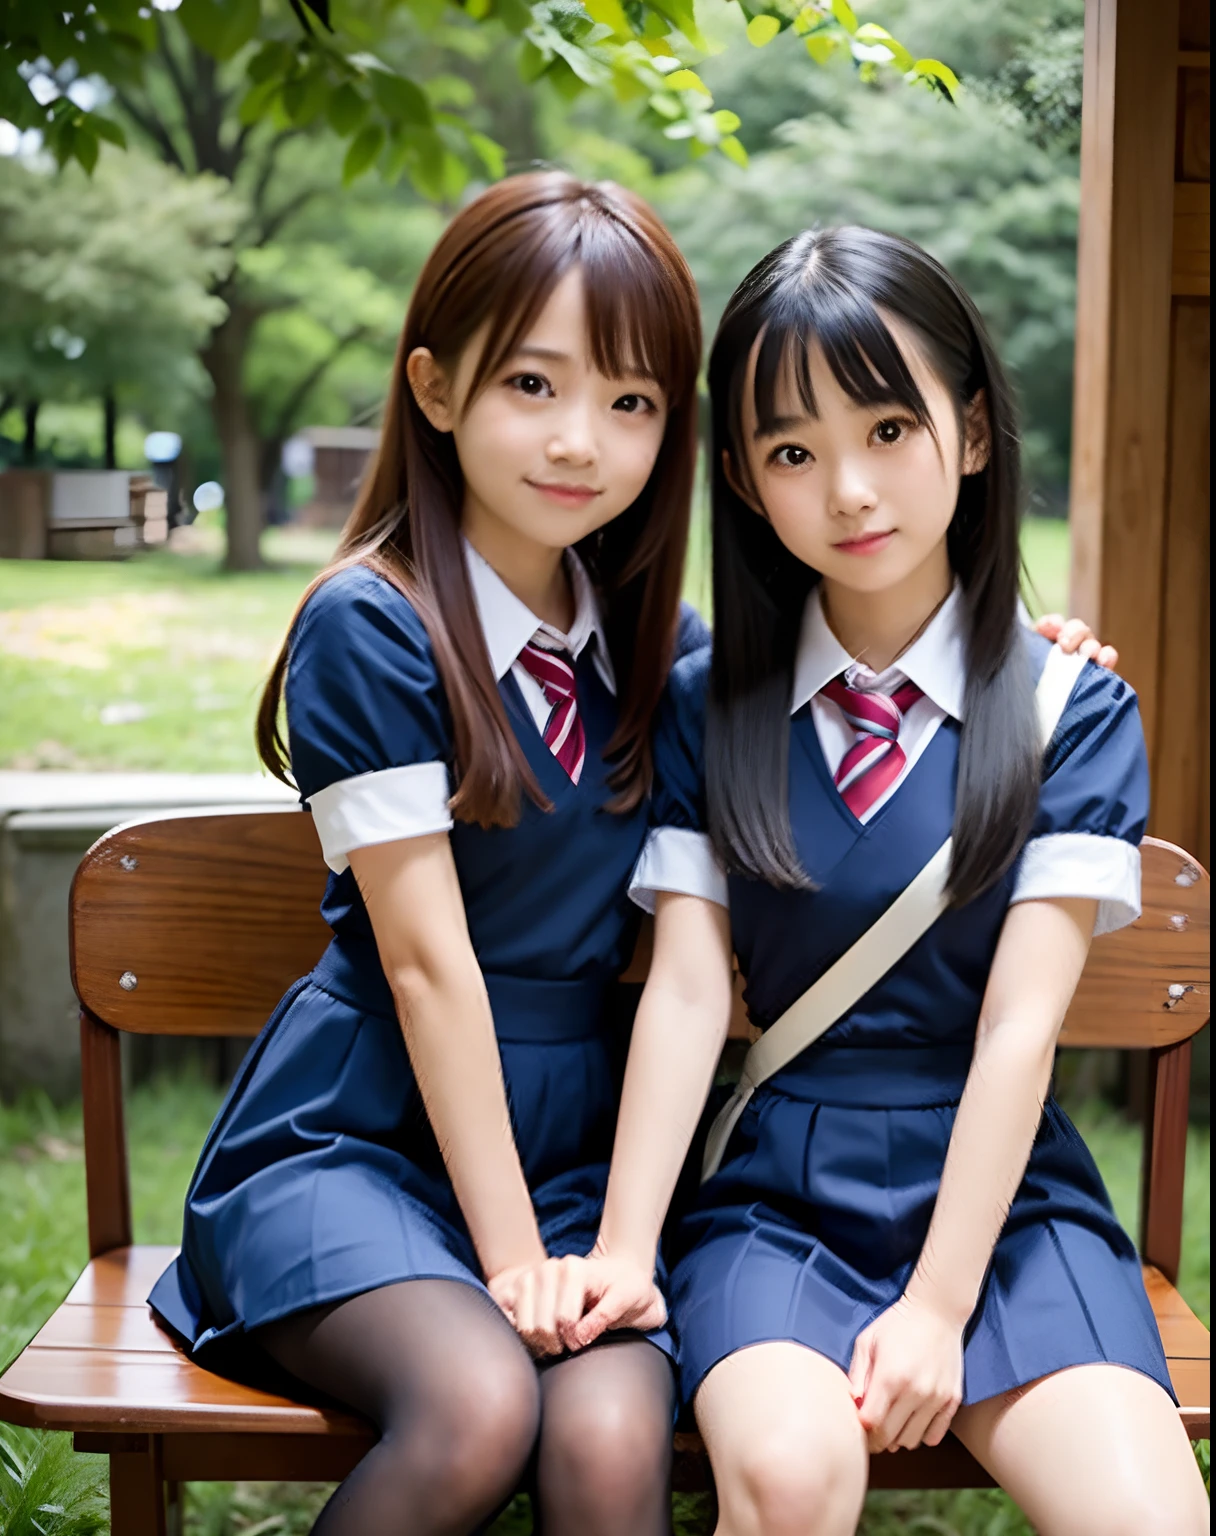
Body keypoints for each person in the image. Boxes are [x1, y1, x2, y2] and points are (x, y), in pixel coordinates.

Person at [551, 227, 1208, 1535]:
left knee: (1155, 1522)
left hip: (1005, 1205)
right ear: (742, 481)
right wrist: (628, 1250)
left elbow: (1023, 1029)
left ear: (969, 433)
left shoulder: (1074, 710)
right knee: (793, 1484)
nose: (849, 489)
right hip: (779, 1194)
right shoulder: (706, 707)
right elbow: (688, 992)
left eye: (889, 430)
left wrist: (940, 1308)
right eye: (794, 452)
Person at [149, 171, 705, 1536]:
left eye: (632, 402)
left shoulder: (662, 652)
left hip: (575, 1152)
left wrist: (1023, 660)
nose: (582, 439)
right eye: (533, 384)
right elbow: (427, 966)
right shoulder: (375, 627)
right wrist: (513, 1262)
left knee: (613, 1440)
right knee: (476, 1408)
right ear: (436, 388)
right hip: (356, 1136)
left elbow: (858, 672)